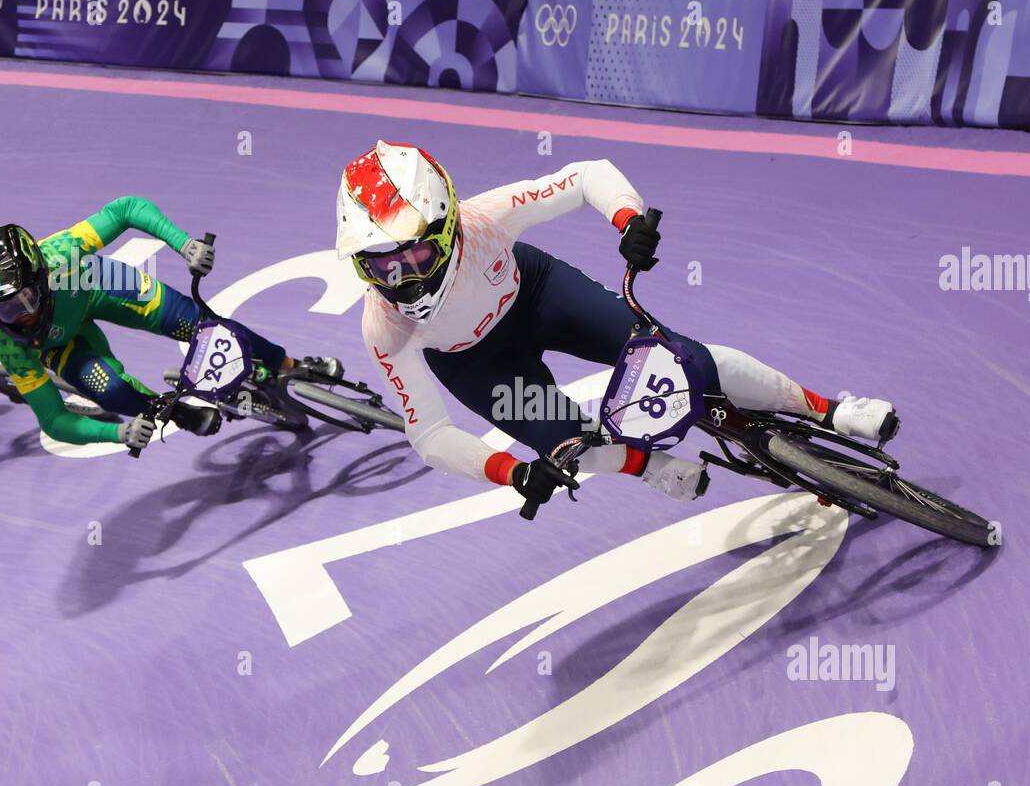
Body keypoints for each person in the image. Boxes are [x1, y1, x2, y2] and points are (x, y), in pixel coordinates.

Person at [339, 141, 898, 512]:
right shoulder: (382, 329)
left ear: (447, 226)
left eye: (413, 259)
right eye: (382, 267)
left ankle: (833, 411)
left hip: (537, 295)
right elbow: (430, 435)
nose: (403, 281)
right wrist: (509, 473)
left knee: (684, 361)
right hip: (480, 364)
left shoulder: (484, 219)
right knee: (569, 449)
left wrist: (627, 218)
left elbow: (585, 177)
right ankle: (645, 465)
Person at [0, 197, 304, 450]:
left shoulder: (62, 254)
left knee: (204, 326)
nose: (23, 315)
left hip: (95, 285)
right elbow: (52, 420)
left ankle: (288, 364)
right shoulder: (9, 343)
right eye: (5, 310)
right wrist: (116, 434)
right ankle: (179, 414)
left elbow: (125, 209)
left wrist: (183, 244)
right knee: (109, 390)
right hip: (62, 344)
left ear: (42, 276)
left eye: (26, 298)